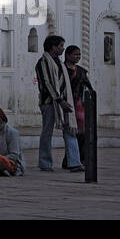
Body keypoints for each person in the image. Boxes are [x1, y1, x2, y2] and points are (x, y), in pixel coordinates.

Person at [35, 34, 82, 172]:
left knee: (70, 130)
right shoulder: (43, 62)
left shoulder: (59, 63)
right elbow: (47, 83)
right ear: (53, 47)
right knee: (47, 132)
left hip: (64, 102)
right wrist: (59, 100)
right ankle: (45, 163)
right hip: (50, 102)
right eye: (60, 46)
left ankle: (74, 162)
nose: (62, 48)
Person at [62, 45, 90, 169]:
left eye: (79, 55)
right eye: (75, 54)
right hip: (66, 102)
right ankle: (71, 159)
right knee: (71, 132)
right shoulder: (61, 70)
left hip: (78, 104)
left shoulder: (81, 71)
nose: (77, 57)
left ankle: (78, 158)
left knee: (82, 132)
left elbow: (88, 86)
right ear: (67, 55)